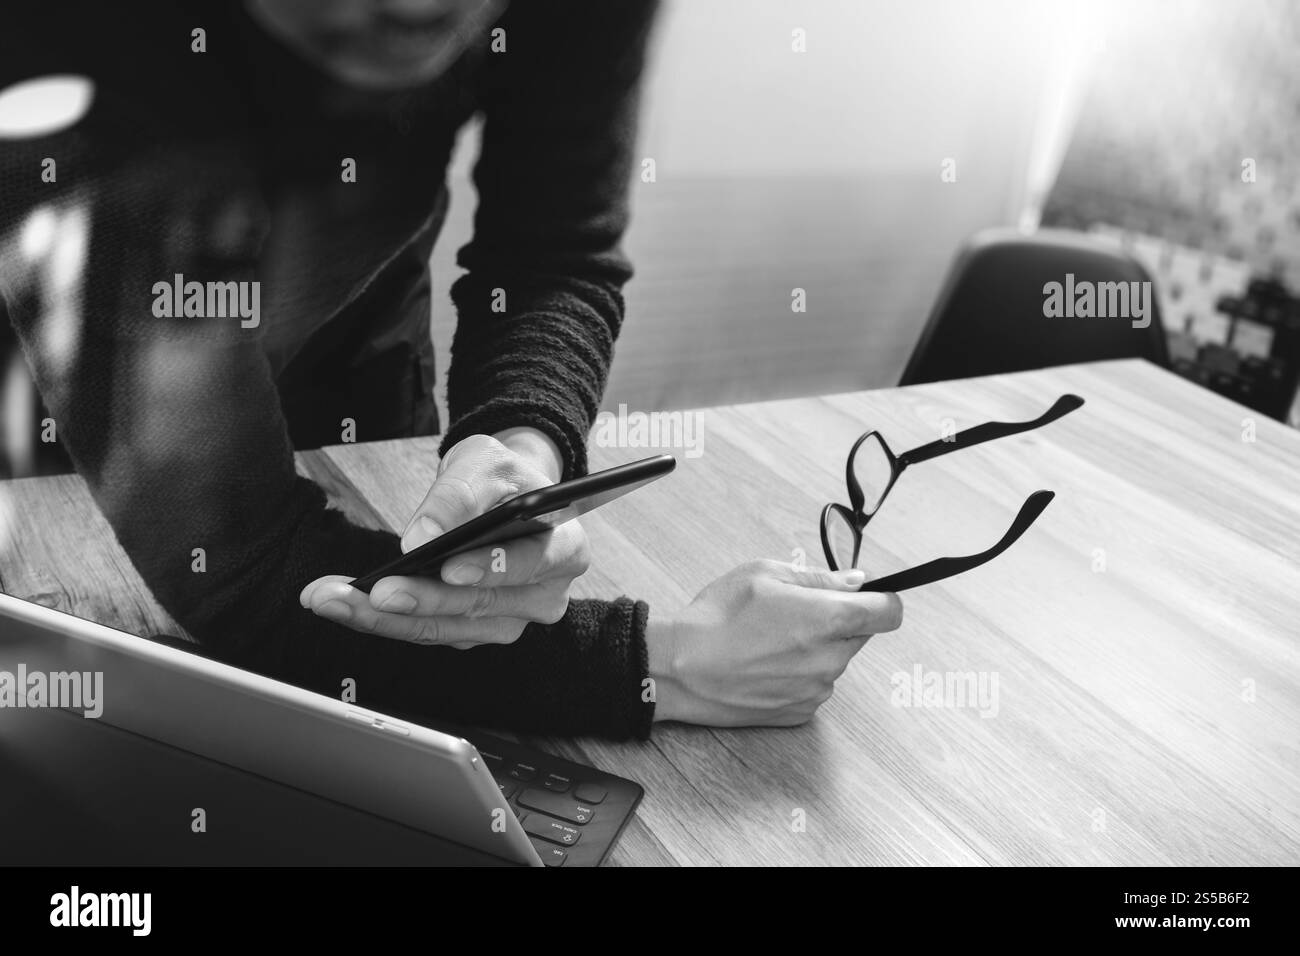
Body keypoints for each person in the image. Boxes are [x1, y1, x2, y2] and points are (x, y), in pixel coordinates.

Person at [0, 0, 902, 739]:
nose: (422, 7)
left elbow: (552, 250)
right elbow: (239, 566)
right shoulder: (59, 43)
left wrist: (515, 445)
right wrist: (664, 662)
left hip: (356, 360)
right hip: (53, 431)